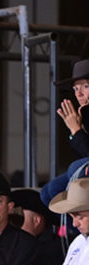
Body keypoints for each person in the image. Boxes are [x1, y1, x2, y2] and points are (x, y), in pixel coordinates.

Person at [42, 59, 89, 210]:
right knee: (48, 193)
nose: (79, 94)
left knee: (74, 169)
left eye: (86, 87)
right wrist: (75, 131)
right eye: (75, 89)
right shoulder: (84, 112)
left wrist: (76, 131)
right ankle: (79, 230)